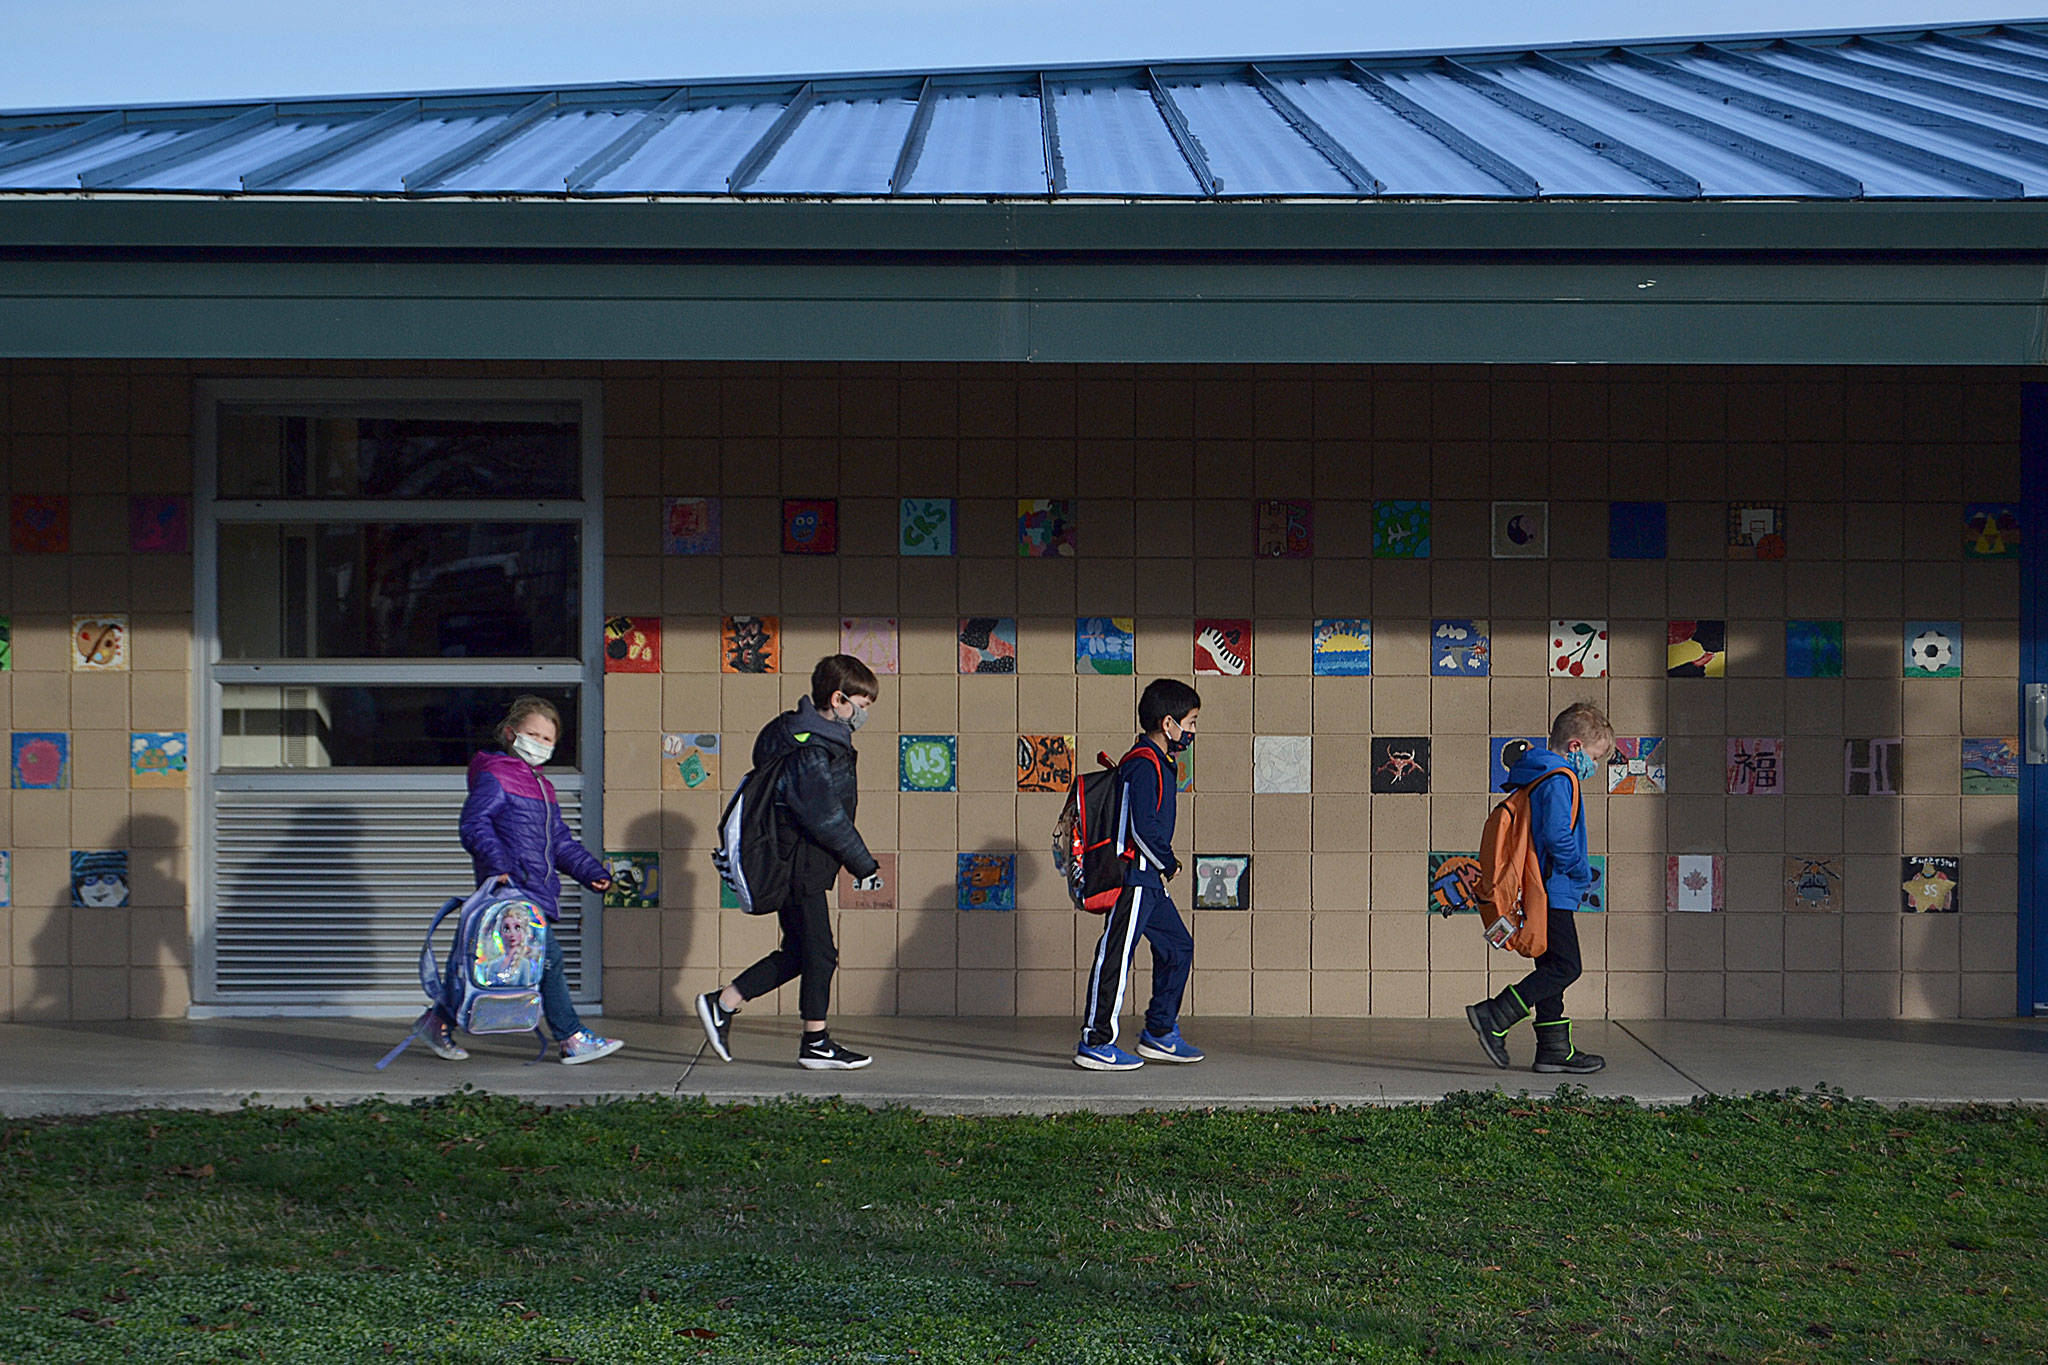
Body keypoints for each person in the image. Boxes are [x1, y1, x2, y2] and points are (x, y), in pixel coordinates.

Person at [696, 655, 885, 1070]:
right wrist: (863, 864)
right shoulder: (811, 749)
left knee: (802, 951)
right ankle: (814, 1041)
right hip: (801, 864)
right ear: (838, 699)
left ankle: (723, 1002)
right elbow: (825, 816)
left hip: (801, 861)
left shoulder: (812, 738)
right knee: (820, 954)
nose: (864, 714)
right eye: (861, 704)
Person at [447, 695, 623, 1065]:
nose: (540, 743)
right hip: (511, 889)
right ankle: (571, 1037)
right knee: (549, 959)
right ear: (511, 733)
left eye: (548, 738)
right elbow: (474, 823)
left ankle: (437, 1021)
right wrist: (498, 864)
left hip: (533, 890)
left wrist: (591, 872)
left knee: (488, 962)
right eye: (533, 734)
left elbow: (559, 842)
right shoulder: (495, 775)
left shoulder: (543, 787)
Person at [1465, 701, 1612, 1074]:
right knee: (1566, 966)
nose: (1593, 766)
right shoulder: (1560, 778)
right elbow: (1557, 836)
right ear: (1576, 746)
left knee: (1550, 968)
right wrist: (1580, 870)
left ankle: (1553, 1049)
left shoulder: (1538, 774)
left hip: (1540, 889)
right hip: (1551, 889)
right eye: (1595, 757)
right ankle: (1496, 1014)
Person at [1075, 677, 1203, 1071]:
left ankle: (1159, 1033)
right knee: (1115, 955)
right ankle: (1096, 1042)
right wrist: (1168, 861)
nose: (1193, 731)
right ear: (1168, 724)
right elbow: (1142, 828)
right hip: (1134, 877)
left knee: (1177, 947)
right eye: (1191, 722)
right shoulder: (1143, 764)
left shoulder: (1159, 762)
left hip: (1149, 881)